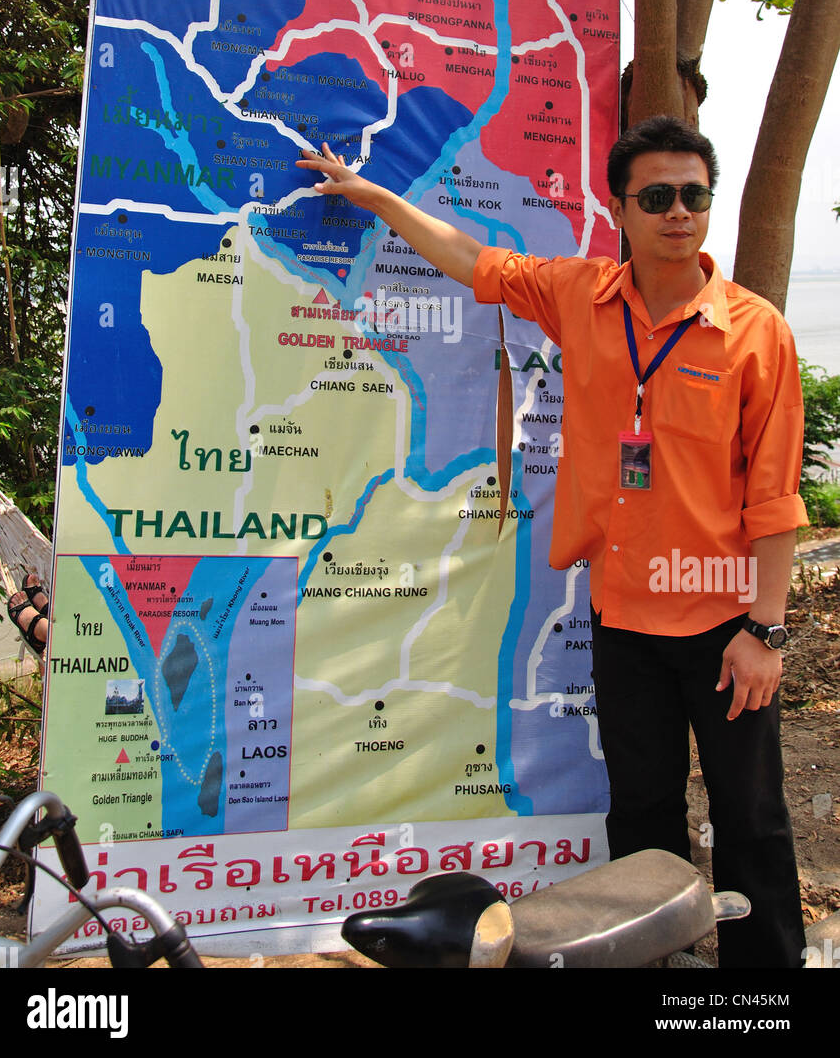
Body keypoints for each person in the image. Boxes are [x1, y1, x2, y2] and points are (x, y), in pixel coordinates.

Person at [297, 114, 807, 968]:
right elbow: (471, 262)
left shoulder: (757, 332)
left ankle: (763, 986)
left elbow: (774, 498)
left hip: (725, 626)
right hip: (623, 619)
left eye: (692, 195)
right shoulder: (581, 295)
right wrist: (373, 196)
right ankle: (658, 962)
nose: (677, 211)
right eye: (656, 196)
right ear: (620, 208)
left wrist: (765, 632)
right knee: (641, 812)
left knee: (750, 814)